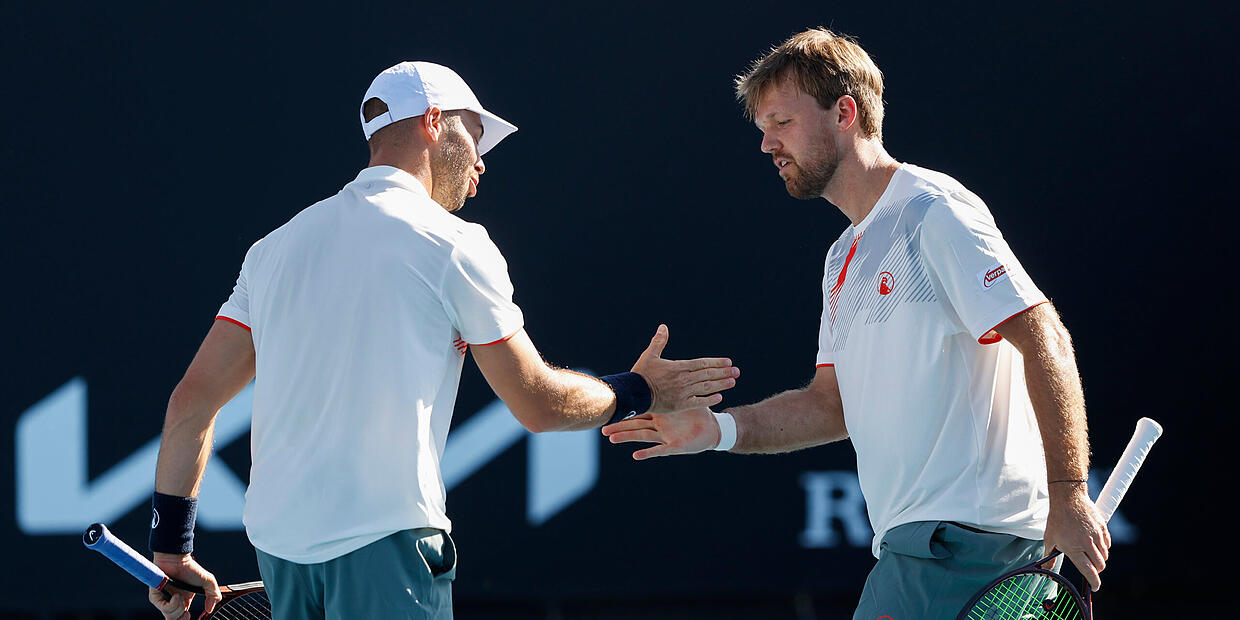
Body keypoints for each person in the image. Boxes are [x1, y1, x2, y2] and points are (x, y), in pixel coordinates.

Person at [145, 61, 740, 620]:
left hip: (282, 556)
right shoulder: (455, 244)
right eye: (474, 136)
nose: (481, 161)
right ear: (433, 122)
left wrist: (170, 547)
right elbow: (537, 404)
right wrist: (636, 390)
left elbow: (190, 402)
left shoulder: (272, 250)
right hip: (389, 548)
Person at [601, 29, 1110, 619]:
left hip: (983, 549)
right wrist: (715, 429)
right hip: (903, 556)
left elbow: (1043, 335)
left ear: (845, 112)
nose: (766, 144)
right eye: (762, 128)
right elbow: (830, 406)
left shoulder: (934, 211)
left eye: (781, 122)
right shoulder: (842, 255)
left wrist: (1071, 493)